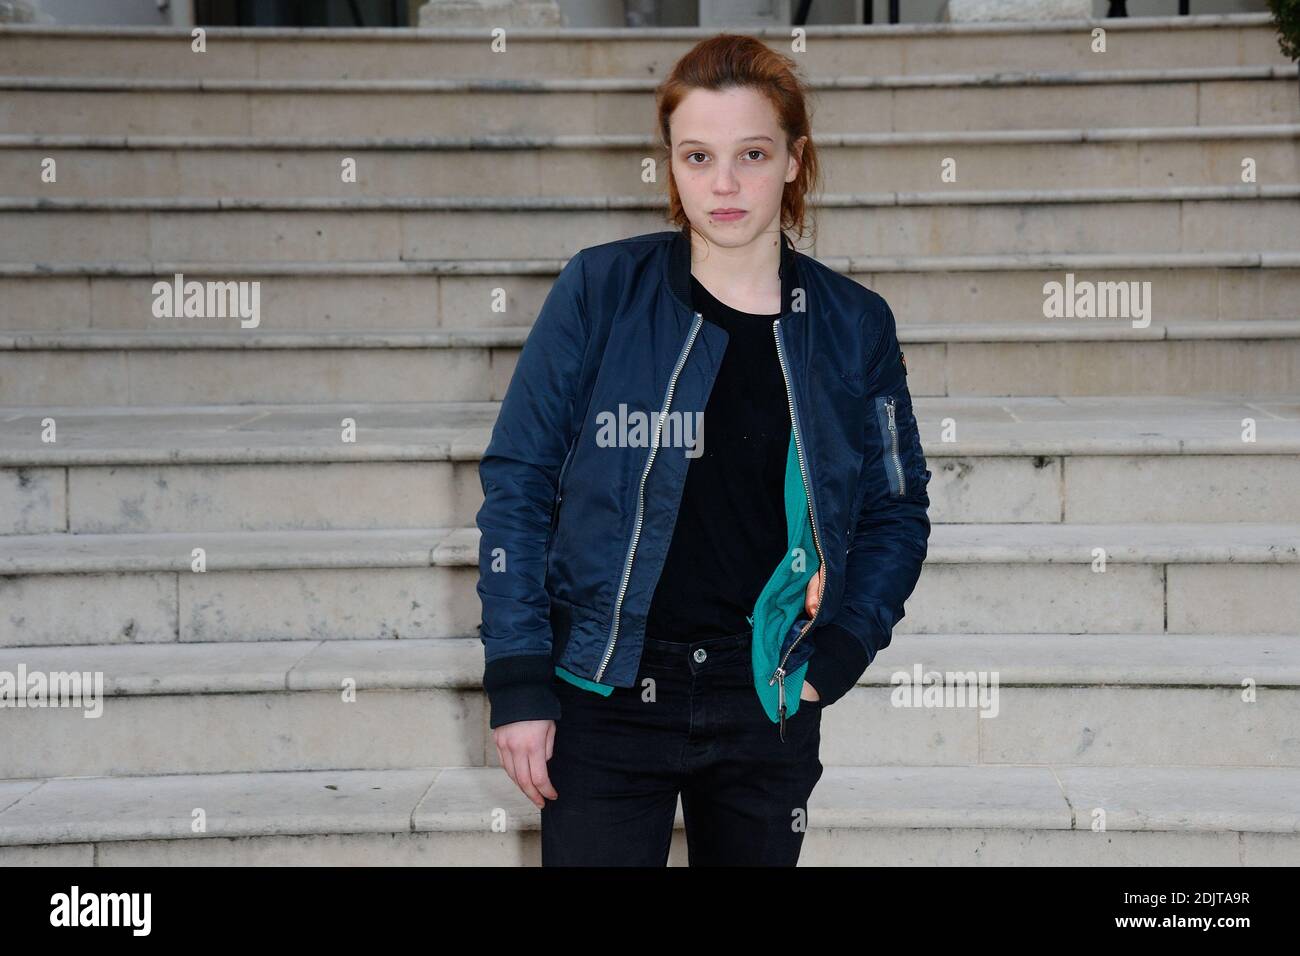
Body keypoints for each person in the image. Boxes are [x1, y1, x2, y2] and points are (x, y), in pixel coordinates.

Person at [475, 33, 932, 866]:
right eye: (697, 156)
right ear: (671, 166)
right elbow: (520, 479)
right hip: (602, 687)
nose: (723, 184)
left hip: (765, 688)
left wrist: (840, 650)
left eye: (751, 154)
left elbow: (897, 505)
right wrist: (517, 674)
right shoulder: (600, 289)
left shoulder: (854, 324)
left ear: (795, 160)